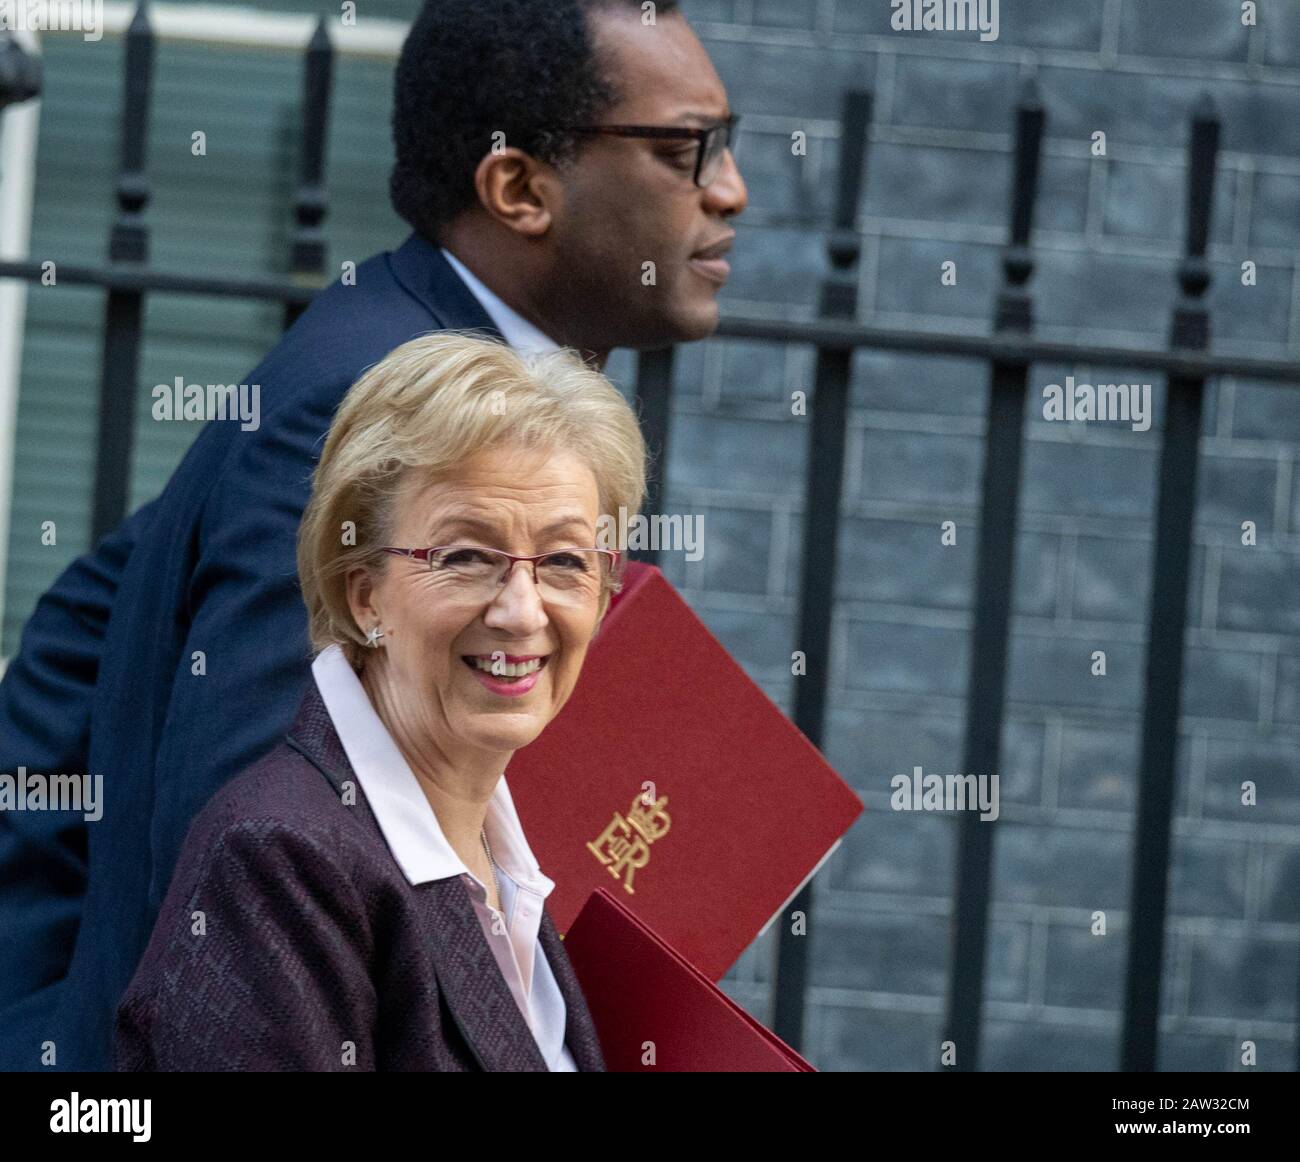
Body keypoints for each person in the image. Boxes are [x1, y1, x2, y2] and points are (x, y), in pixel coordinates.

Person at [0, 0, 747, 1070]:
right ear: (519, 188)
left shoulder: (444, 371)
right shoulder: (364, 400)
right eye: (685, 149)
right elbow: (253, 871)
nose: (730, 188)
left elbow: (89, 616)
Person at [115, 331, 644, 1070]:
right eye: (465, 556)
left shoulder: (497, 856)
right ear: (364, 596)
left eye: (563, 561)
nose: (523, 612)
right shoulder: (279, 857)